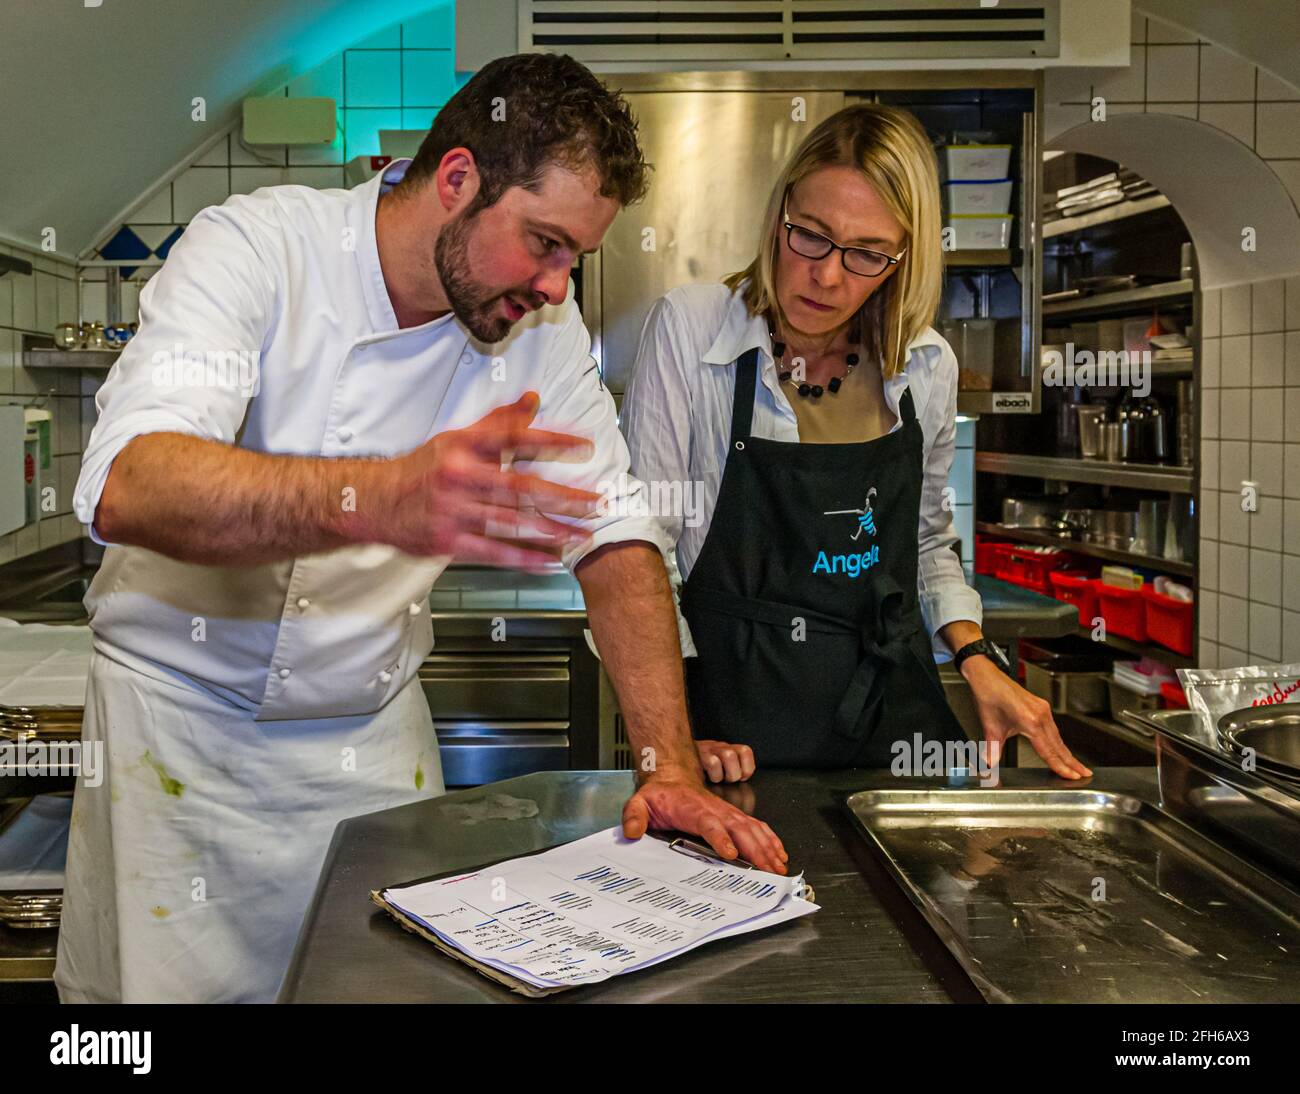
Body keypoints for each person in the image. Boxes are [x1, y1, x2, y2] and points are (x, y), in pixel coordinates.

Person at [57, 52, 785, 1004]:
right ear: (456, 180)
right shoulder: (257, 248)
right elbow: (128, 483)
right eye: (544, 243)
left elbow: (613, 534)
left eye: (577, 258)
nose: (561, 288)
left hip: (365, 757)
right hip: (177, 756)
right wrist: (380, 497)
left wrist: (667, 764)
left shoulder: (537, 332)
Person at [621, 103, 1092, 779]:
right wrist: (671, 737)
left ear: (904, 257)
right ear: (779, 213)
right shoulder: (694, 332)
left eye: (867, 253)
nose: (829, 275)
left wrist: (976, 658)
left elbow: (927, 547)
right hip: (733, 743)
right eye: (809, 235)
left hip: (887, 736)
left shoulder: (923, 366)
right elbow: (644, 552)